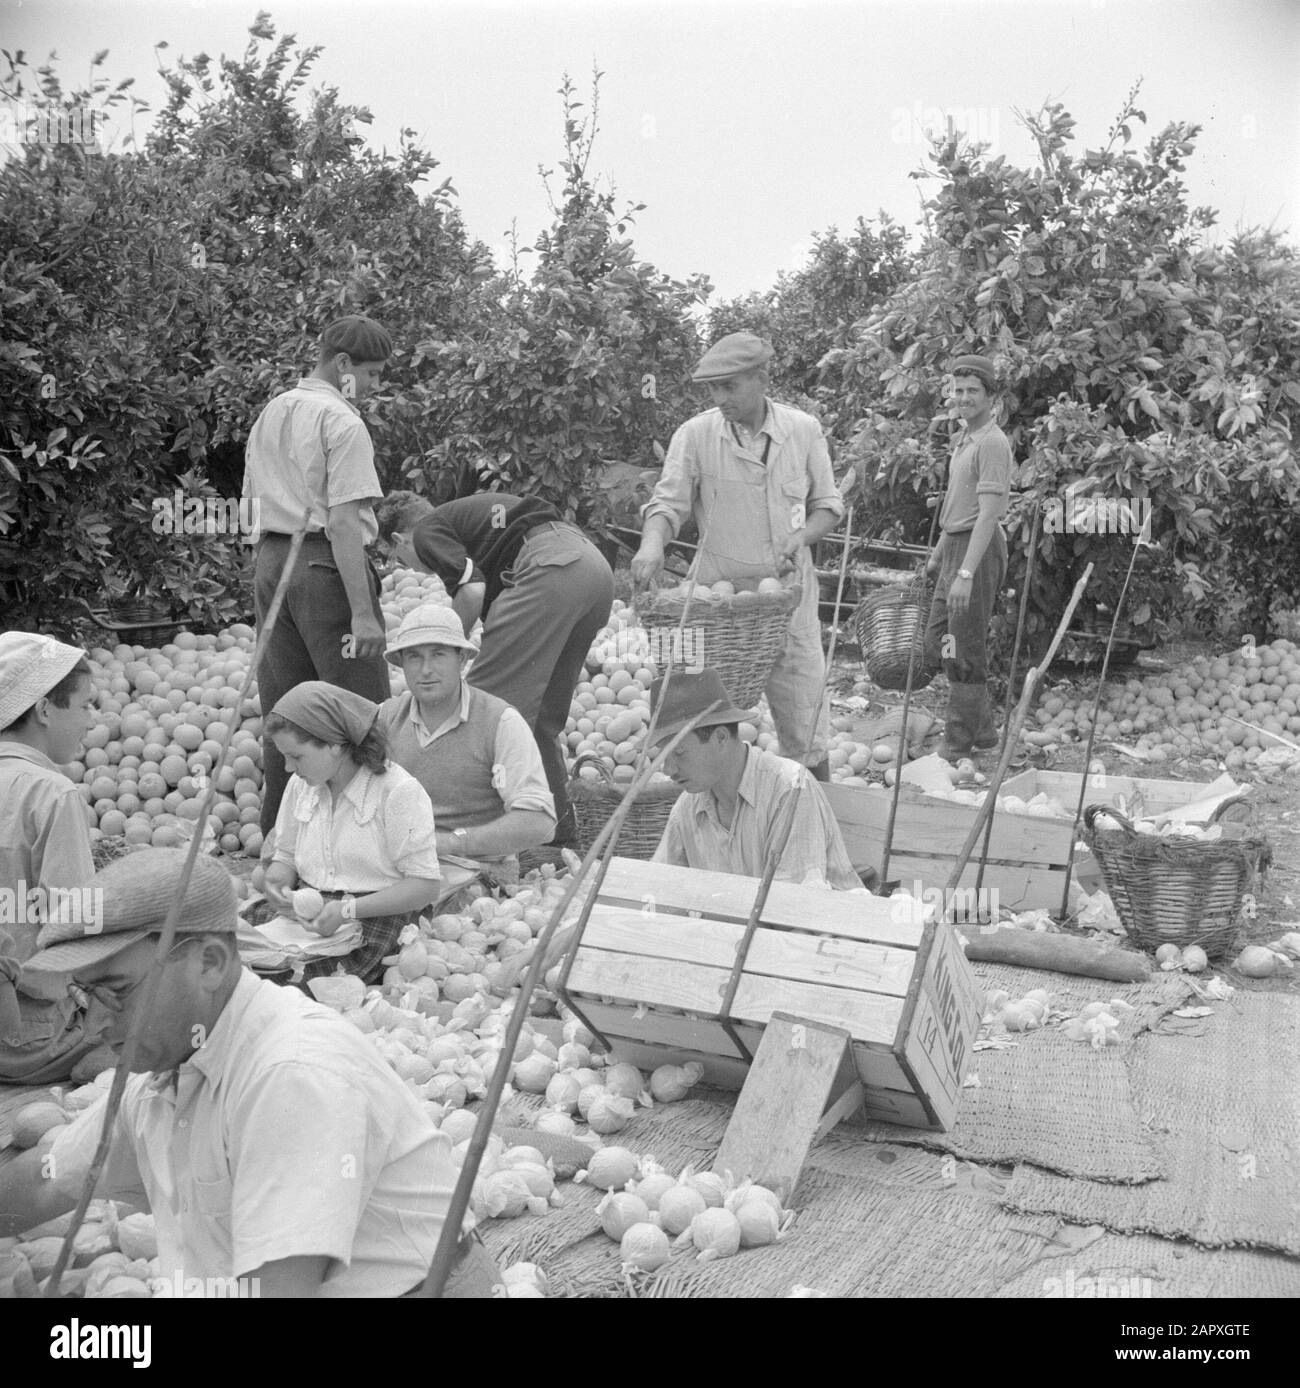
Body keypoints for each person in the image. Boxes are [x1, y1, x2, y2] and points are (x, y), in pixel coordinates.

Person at [0, 849, 501, 1298]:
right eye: (84, 997)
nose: (97, 1022)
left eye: (115, 991)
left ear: (211, 962)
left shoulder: (292, 1074)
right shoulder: (169, 1072)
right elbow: (51, 1176)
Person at [631, 332, 845, 780]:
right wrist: (652, 544)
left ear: (762, 379)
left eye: (729, 386)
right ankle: (717, 825)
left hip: (788, 602)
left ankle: (810, 820)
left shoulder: (802, 430)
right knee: (706, 725)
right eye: (713, 388)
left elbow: (828, 504)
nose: (719, 397)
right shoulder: (695, 435)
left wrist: (803, 536)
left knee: (806, 725)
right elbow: (668, 504)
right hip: (717, 607)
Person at [375, 490, 614, 850]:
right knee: (539, 718)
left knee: (477, 712)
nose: (407, 568)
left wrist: (444, 648)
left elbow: (471, 591)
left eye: (397, 558)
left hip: (549, 569)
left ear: (398, 539)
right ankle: (554, 841)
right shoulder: (463, 527)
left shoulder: (426, 531)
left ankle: (465, 842)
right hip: (592, 568)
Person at [243, 315, 396, 837]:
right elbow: (344, 523)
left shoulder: (272, 412)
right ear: (343, 363)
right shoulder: (342, 422)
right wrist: (361, 613)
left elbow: (251, 507)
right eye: (372, 374)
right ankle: (371, 839)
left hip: (271, 562)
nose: (376, 386)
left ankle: (282, 842)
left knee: (286, 710)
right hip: (324, 567)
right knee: (361, 709)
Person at [259, 682, 442, 985]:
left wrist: (347, 910)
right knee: (233, 957)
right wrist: (278, 883)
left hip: (373, 915)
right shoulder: (302, 786)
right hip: (308, 917)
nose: (289, 768)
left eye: (297, 756)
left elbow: (424, 886)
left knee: (297, 982)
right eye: (284, 757)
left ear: (334, 744)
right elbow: (286, 856)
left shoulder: (397, 791)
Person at [378, 606, 556, 885]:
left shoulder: (500, 722)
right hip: (397, 869)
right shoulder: (385, 718)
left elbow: (539, 822)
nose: (426, 670)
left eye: (438, 654)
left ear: (461, 659)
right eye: (414, 657)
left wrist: (452, 842)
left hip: (475, 872)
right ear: (401, 663)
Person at [0, 632, 108, 1083]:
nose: (91, 720)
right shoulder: (52, 792)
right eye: (84, 705)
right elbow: (77, 925)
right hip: (32, 1039)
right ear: (45, 709)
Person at [647, 669, 864, 890]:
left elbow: (794, 908)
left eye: (679, 753)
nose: (669, 769)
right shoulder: (688, 807)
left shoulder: (790, 789)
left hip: (805, 922)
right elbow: (659, 884)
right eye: (664, 756)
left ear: (721, 737)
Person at [923, 354, 1013, 760]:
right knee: (940, 640)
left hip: (977, 551)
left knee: (963, 647)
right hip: (956, 545)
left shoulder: (993, 443)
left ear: (991, 397)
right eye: (958, 391)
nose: (963, 398)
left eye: (972, 391)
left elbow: (988, 514)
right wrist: (940, 555)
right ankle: (985, 729)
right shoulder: (964, 438)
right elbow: (958, 507)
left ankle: (957, 743)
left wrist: (964, 571)